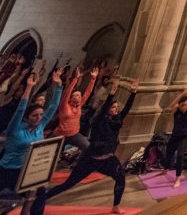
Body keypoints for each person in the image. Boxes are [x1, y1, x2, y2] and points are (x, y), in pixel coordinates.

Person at [43, 77, 138, 213]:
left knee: (121, 179)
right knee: (69, 183)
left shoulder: (117, 121)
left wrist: (133, 93)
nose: (116, 109)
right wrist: (112, 94)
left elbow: (127, 110)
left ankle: (115, 206)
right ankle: (44, 197)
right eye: (113, 107)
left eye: (117, 108)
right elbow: (105, 106)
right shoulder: (99, 120)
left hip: (108, 159)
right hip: (91, 159)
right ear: (107, 109)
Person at [0, 70, 62, 213]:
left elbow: (53, 107)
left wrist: (58, 86)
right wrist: (29, 87)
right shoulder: (15, 129)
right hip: (7, 170)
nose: (39, 118)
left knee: (39, 197)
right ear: (27, 117)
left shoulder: (40, 127)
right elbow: (20, 109)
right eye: (35, 115)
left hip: (26, 172)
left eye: (40, 115)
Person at [53, 66, 98, 151]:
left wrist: (93, 79)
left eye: (80, 95)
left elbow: (88, 93)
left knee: (88, 147)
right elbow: (68, 92)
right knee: (54, 154)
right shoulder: (65, 105)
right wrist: (75, 79)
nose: (79, 97)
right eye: (76, 95)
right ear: (71, 97)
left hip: (74, 134)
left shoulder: (79, 105)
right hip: (60, 135)